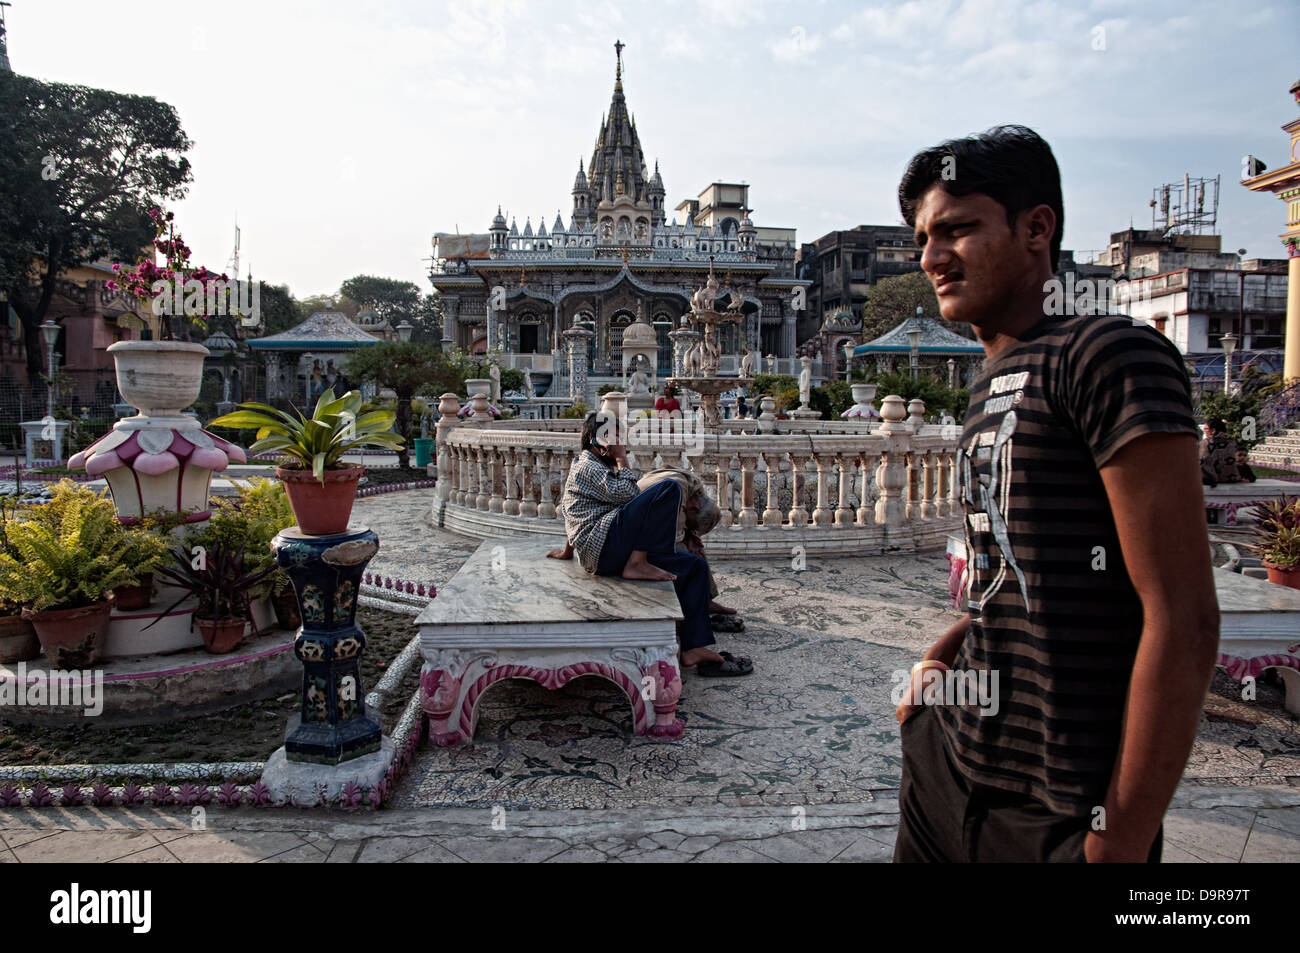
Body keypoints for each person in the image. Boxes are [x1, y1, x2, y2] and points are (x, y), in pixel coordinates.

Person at [892, 125, 1218, 863]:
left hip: (1061, 809)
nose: (931, 257)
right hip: (949, 767)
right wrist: (939, 664)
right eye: (922, 239)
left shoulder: (1108, 356)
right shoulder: (988, 381)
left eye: (957, 229)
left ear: (1037, 227)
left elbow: (1186, 616)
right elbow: (1004, 579)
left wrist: (1121, 838)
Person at [548, 412, 752, 676]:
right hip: (604, 549)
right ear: (593, 439)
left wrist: (567, 551)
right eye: (612, 436)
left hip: (609, 547)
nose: (619, 442)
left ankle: (693, 648)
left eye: (620, 436)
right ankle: (638, 563)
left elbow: (571, 509)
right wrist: (622, 459)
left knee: (694, 566)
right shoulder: (587, 465)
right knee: (668, 490)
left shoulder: (599, 468)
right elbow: (628, 494)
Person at [1200, 418, 1242, 485]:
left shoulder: (1206, 443)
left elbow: (1202, 462)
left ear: (1213, 430)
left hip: (1213, 480)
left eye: (1206, 429)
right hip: (1233, 479)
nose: (1204, 431)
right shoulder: (1232, 442)